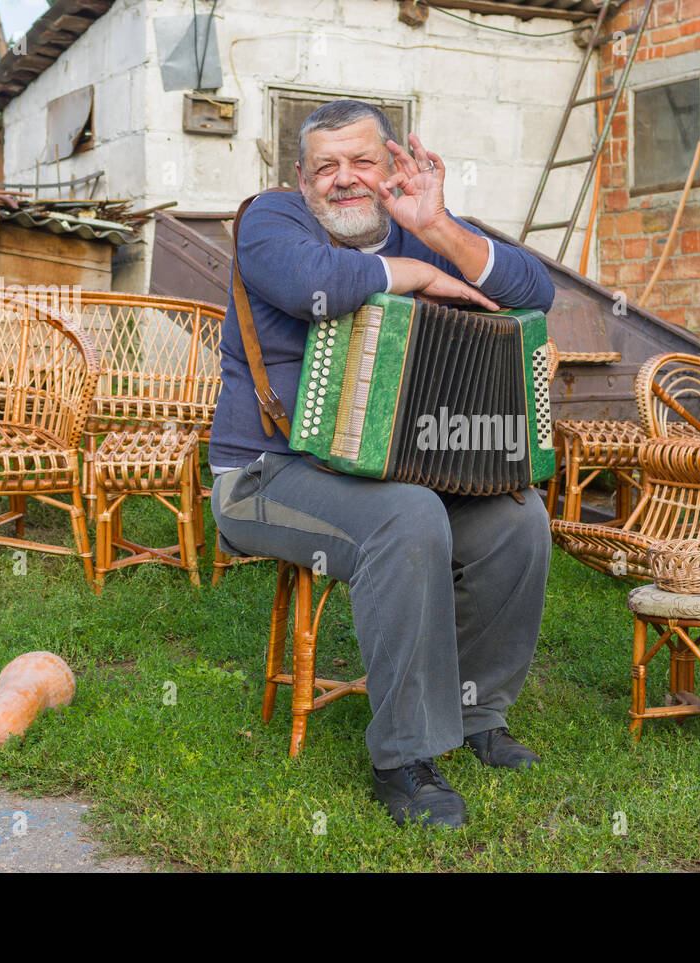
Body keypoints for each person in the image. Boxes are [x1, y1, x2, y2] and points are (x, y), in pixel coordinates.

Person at [208, 99, 555, 829]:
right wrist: (417, 275)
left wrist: (436, 229)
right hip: (263, 480)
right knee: (407, 513)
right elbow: (314, 286)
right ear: (302, 180)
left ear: (394, 164)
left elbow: (534, 294)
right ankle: (405, 757)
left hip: (389, 474)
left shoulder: (418, 228)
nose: (344, 180)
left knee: (517, 518)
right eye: (325, 167)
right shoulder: (272, 221)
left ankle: (475, 710)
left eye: (361, 161)